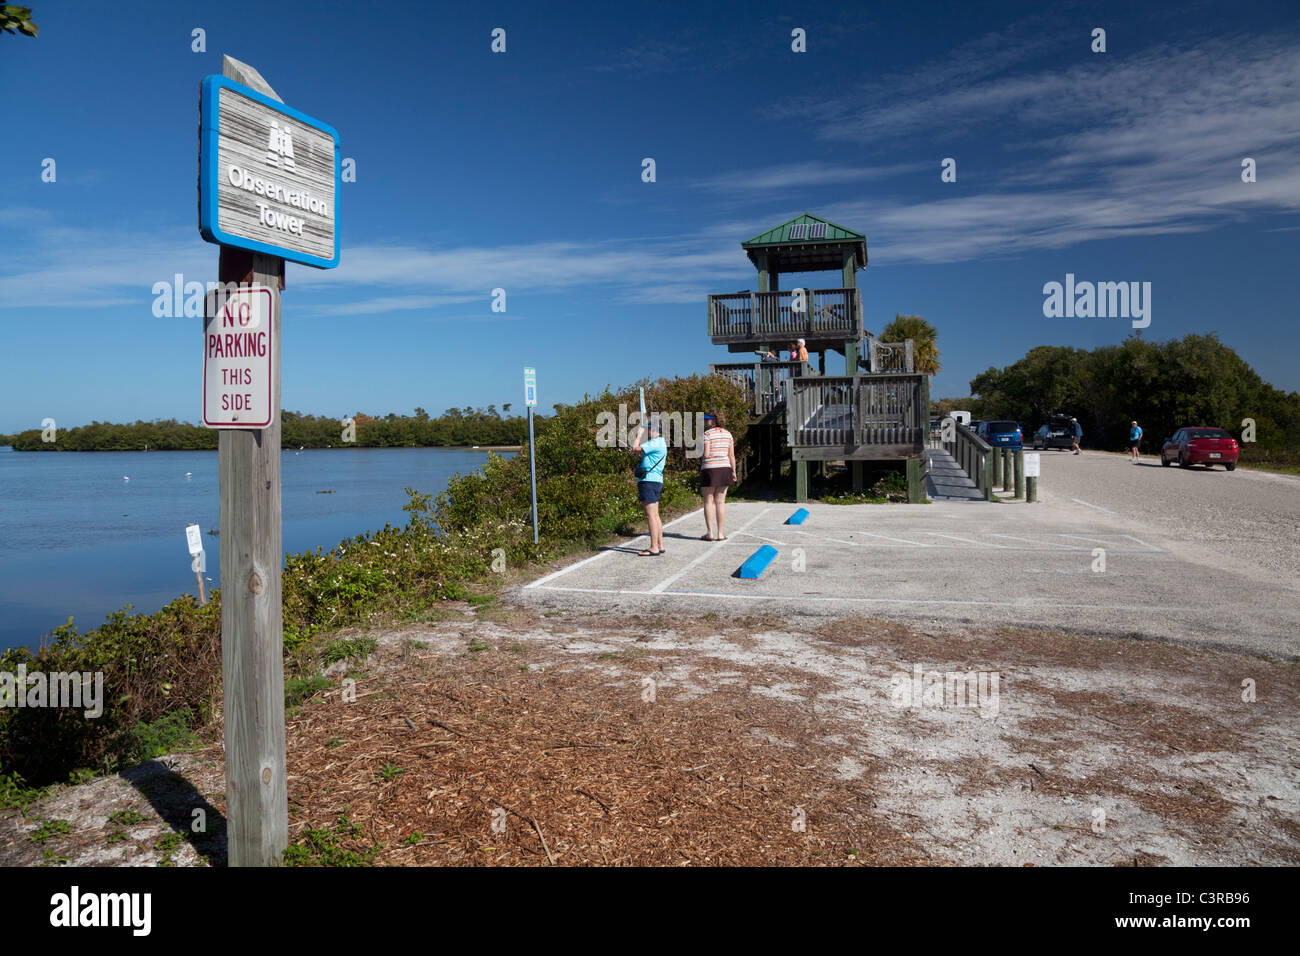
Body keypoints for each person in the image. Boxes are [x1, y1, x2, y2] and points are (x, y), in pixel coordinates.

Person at [630, 418, 667, 556]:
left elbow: (635, 448)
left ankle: (653, 547)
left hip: (649, 481)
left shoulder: (655, 442)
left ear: (655, 429)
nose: (647, 431)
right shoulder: (660, 442)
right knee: (655, 515)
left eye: (649, 428)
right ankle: (659, 544)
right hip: (655, 480)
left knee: (650, 515)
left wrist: (638, 435)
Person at [698, 411, 736, 541]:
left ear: (713, 420)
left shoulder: (706, 434)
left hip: (710, 469)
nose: (705, 421)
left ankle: (710, 533)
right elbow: (731, 455)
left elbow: (706, 454)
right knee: (720, 502)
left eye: (707, 419)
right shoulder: (728, 434)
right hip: (725, 468)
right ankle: (720, 533)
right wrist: (733, 471)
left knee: (708, 501)